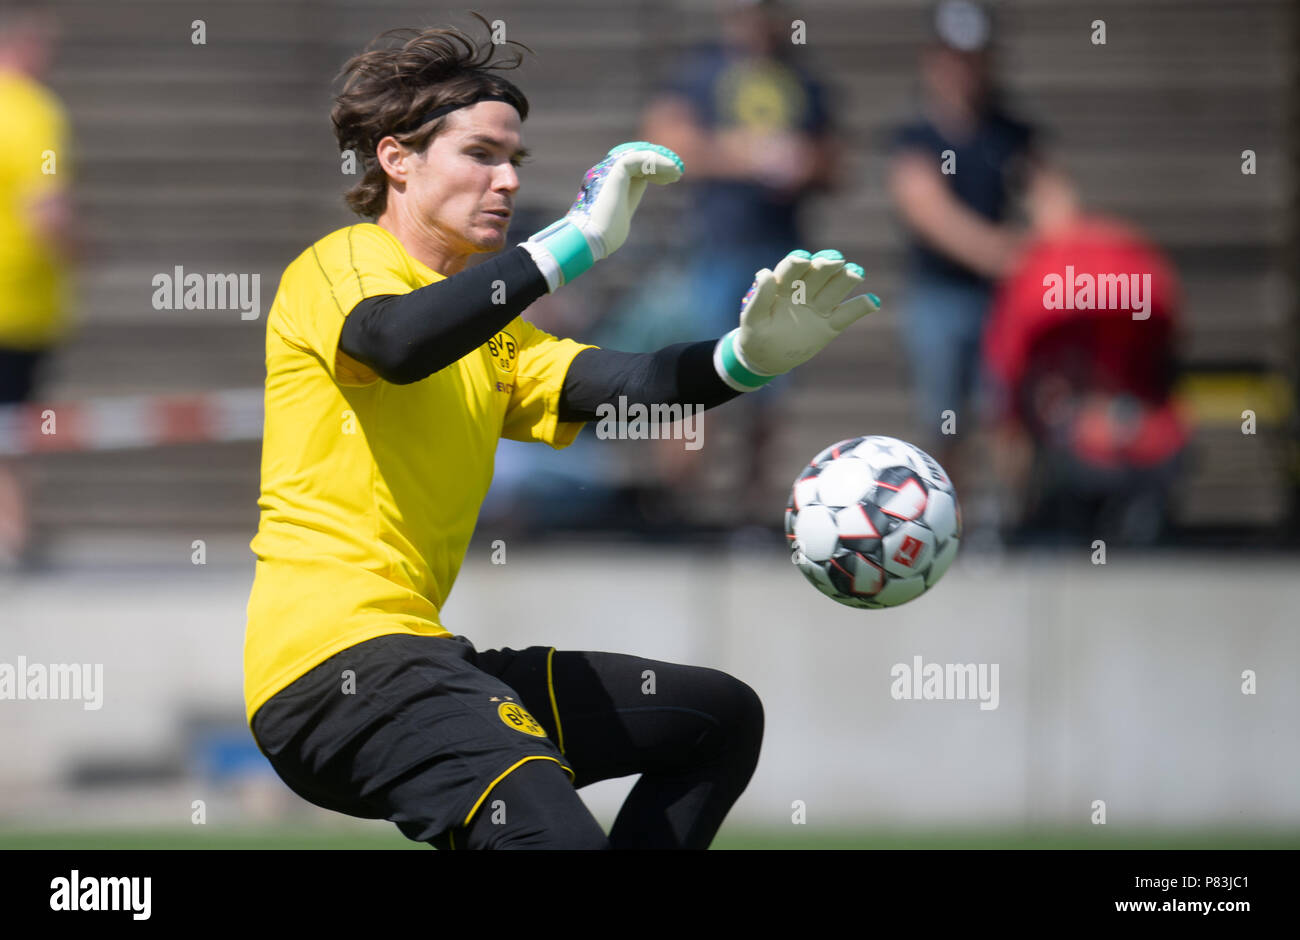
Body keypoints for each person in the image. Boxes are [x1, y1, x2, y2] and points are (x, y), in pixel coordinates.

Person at [243, 19, 879, 850]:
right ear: (396, 159)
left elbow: (630, 387)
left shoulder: (495, 340)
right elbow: (396, 344)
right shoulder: (340, 263)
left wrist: (745, 359)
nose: (506, 179)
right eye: (480, 155)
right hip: (336, 671)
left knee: (716, 720)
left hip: (422, 661)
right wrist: (569, 246)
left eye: (516, 161)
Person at [636, 0, 840, 524]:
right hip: (713, 248)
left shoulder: (803, 79)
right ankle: (677, 505)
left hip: (781, 253)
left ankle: (750, 513)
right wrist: (751, 156)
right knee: (693, 382)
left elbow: (835, 163)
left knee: (768, 389)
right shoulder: (702, 72)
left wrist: (801, 162)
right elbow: (664, 142)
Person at [887, 0, 1074, 494]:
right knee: (944, 419)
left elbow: (1055, 204)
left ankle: (1007, 529)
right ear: (933, 59)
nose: (963, 69)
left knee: (1009, 414)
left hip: (1007, 301)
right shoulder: (917, 138)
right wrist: (1010, 255)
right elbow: (929, 213)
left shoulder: (1012, 133)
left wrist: (1044, 250)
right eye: (953, 56)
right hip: (939, 296)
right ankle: (950, 522)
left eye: (973, 56)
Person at [0, 2, 76, 566]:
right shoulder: (32, 113)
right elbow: (46, 211)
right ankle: (14, 533)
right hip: (18, 303)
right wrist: (81, 250)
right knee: (15, 427)